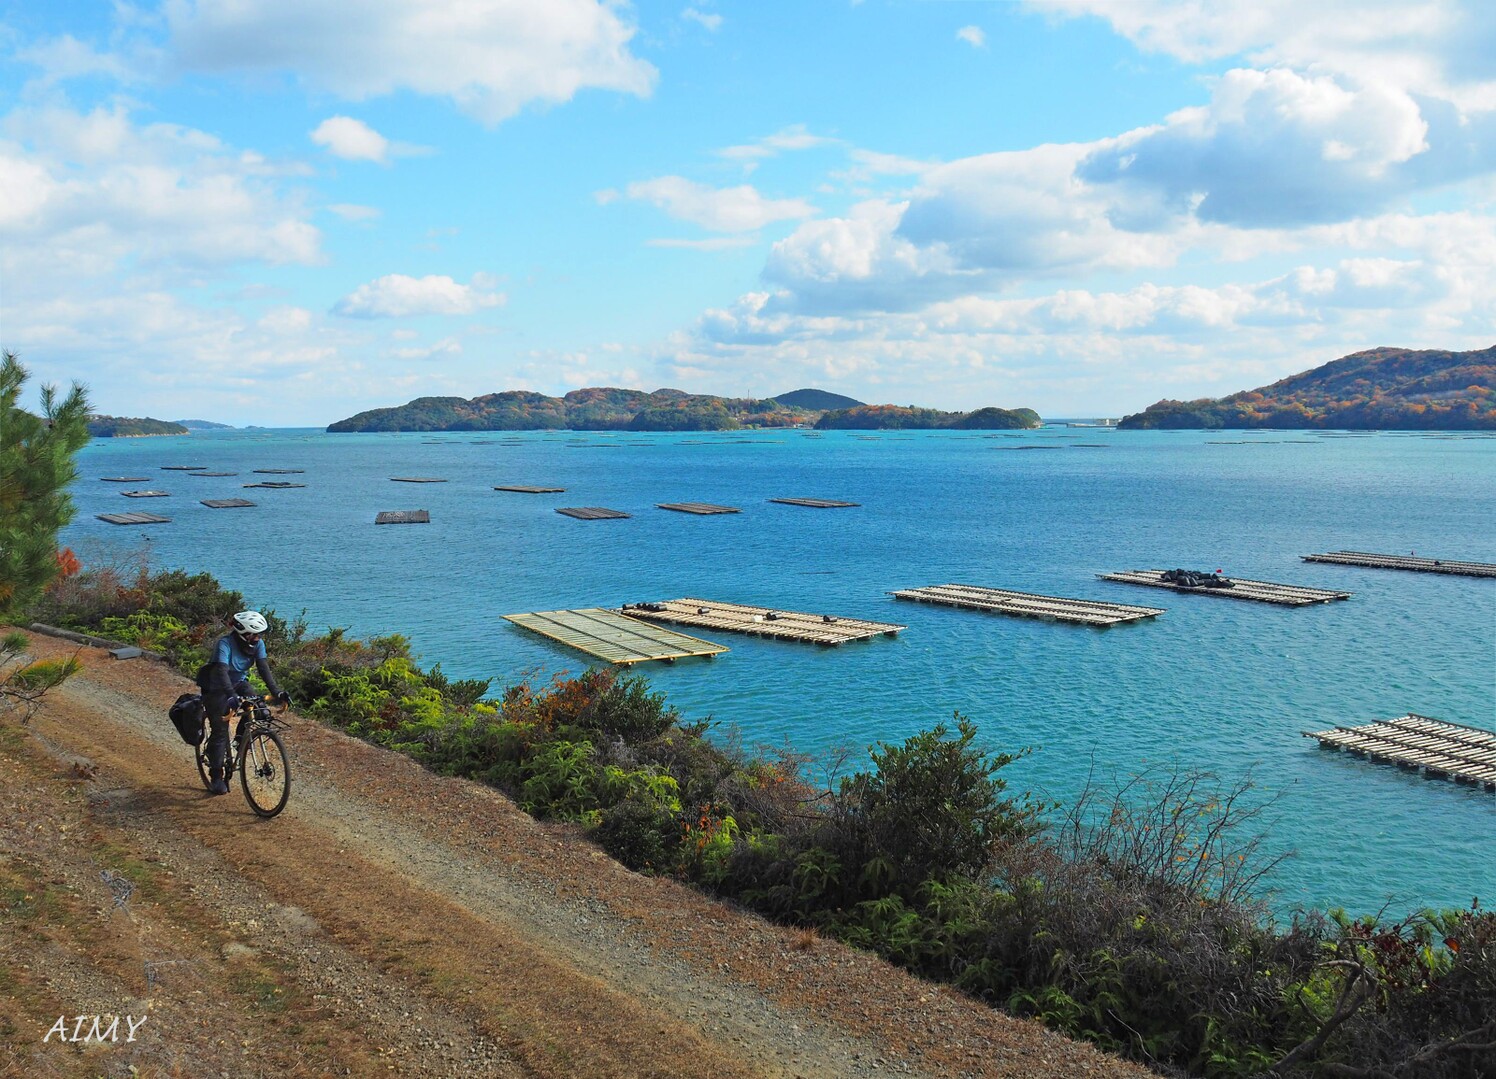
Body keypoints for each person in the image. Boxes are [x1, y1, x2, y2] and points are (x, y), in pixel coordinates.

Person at [195, 611, 290, 795]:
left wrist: (277, 692)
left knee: (260, 711)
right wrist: (231, 696)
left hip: (239, 683)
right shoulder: (224, 644)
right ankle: (216, 774)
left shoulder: (258, 645)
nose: (258, 637)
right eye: (254, 634)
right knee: (220, 730)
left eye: (259, 634)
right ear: (243, 634)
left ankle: (239, 741)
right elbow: (222, 671)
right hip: (216, 687)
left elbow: (263, 668)